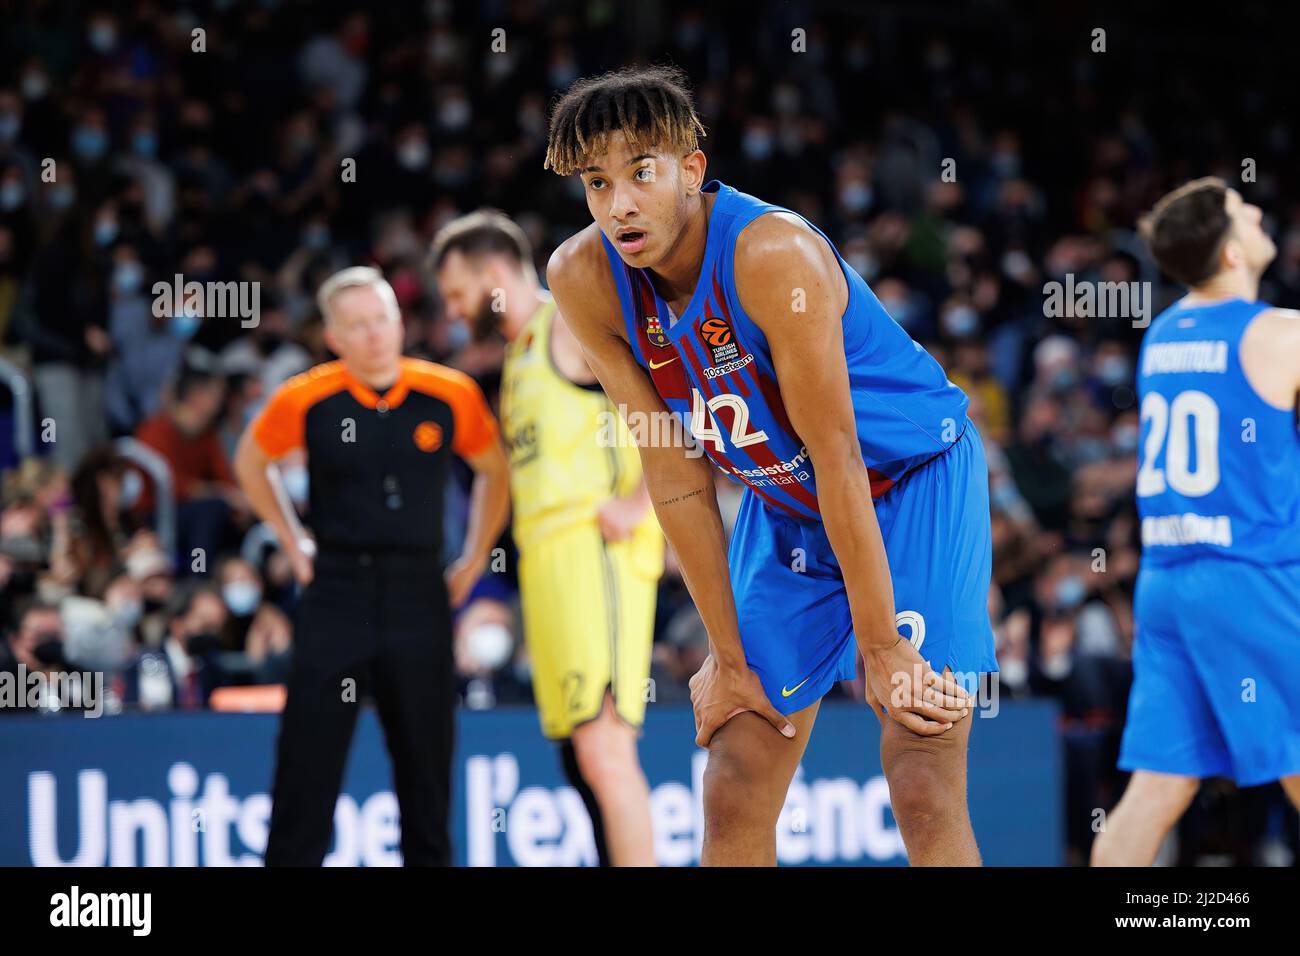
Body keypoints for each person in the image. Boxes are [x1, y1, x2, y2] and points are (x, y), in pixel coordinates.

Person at [542, 65, 993, 866]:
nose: (619, 205)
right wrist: (727, 655)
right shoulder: (581, 278)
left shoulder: (771, 253)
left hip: (908, 484)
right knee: (735, 780)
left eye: (640, 173)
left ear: (692, 169)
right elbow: (675, 471)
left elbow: (840, 454)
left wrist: (883, 647)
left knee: (919, 772)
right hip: (785, 503)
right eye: (597, 182)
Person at [234, 265, 509, 867]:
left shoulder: (449, 391)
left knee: (426, 769)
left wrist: (471, 556)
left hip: (420, 590)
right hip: (336, 588)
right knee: (307, 764)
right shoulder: (307, 396)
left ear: (400, 318)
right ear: (333, 337)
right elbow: (251, 461)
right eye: (356, 325)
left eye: (382, 317)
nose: (374, 334)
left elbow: (495, 468)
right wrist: (291, 540)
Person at [430, 210, 664, 866]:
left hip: (598, 554)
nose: (452, 311)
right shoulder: (520, 354)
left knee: (605, 747)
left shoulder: (568, 319)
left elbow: (667, 400)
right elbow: (504, 481)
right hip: (550, 568)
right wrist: (477, 558)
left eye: (457, 293)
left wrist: (639, 501)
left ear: (494, 272)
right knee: (577, 753)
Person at [1092, 178, 1300, 865]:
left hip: (1168, 583)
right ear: (1233, 252)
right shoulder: (1276, 333)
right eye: (1245, 212)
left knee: (1155, 788)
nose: (1260, 212)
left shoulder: (1163, 334)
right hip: (1248, 578)